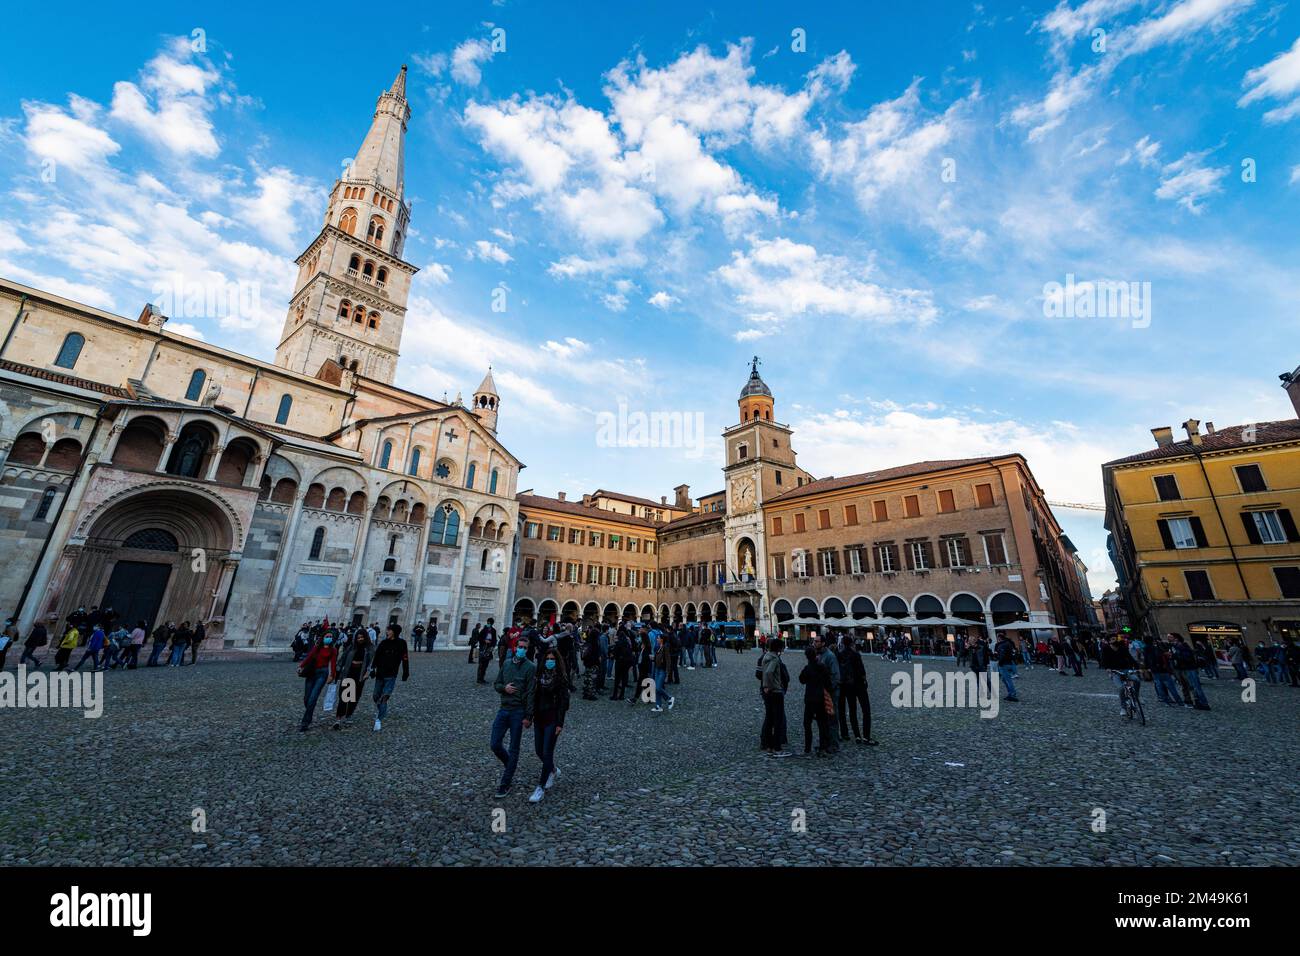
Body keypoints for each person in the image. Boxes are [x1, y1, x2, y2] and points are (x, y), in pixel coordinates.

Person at [490, 634, 536, 798]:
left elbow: (531, 692)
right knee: (495, 743)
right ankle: (510, 765)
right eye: (520, 647)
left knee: (514, 747)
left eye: (525, 648)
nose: (522, 650)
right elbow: (497, 683)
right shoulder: (507, 664)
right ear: (515, 647)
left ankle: (505, 783)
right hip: (504, 709)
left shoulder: (530, 667)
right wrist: (504, 688)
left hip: (518, 711)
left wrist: (529, 716)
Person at [528, 646, 571, 803]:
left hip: (552, 719)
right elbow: (533, 696)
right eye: (547, 659)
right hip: (539, 717)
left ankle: (540, 787)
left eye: (553, 659)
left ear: (557, 661)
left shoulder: (561, 678)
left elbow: (563, 702)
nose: (550, 661)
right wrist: (529, 715)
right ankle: (552, 769)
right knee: (539, 750)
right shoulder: (539, 676)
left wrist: (560, 723)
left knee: (547, 752)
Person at [838, 634, 878, 744]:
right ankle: (866, 736)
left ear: (842, 643)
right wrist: (865, 681)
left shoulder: (840, 655)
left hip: (847, 686)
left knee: (852, 710)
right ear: (851, 643)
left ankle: (857, 736)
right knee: (866, 710)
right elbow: (861, 670)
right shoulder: (856, 654)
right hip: (859, 684)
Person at [333, 626, 374, 729]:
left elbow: (372, 662)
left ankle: (348, 715)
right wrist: (337, 670)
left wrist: (368, 672)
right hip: (349, 672)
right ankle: (338, 718)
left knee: (354, 697)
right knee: (344, 696)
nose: (360, 639)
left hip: (359, 675)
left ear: (365, 637)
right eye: (358, 637)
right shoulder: (352, 647)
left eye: (362, 637)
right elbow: (343, 658)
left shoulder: (369, 648)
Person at [370, 624, 410, 731]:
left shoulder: (401, 643)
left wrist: (406, 672)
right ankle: (382, 709)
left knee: (385, 696)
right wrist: (372, 669)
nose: (387, 632)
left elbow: (405, 658)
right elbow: (377, 656)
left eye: (389, 630)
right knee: (375, 696)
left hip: (391, 674)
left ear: (394, 632)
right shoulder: (383, 643)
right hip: (380, 673)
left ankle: (378, 719)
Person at [297, 631, 337, 732]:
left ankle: (305, 722)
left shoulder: (333, 650)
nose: (329, 638)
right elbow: (309, 657)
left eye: (330, 637)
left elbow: (333, 663)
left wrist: (332, 675)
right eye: (327, 636)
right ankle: (310, 711)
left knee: (313, 698)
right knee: (307, 698)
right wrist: (301, 666)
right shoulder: (317, 647)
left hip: (322, 674)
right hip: (311, 672)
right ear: (323, 637)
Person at [798, 647, 833, 757]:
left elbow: (801, 680)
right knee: (823, 724)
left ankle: (807, 747)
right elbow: (828, 683)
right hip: (821, 698)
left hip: (810, 698)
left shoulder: (807, 668)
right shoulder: (822, 667)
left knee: (807, 724)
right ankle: (823, 746)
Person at [758, 637, 791, 757]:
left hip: (769, 692)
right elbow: (769, 672)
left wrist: (765, 686)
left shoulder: (766, 656)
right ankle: (777, 747)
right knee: (778, 720)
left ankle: (769, 745)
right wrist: (770, 686)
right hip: (776, 692)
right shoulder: (775, 659)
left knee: (770, 719)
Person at [1101, 634, 1141, 716]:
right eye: (1112, 639)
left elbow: (1130, 657)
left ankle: (1136, 697)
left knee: (1137, 680)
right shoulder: (1106, 649)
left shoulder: (1122, 648)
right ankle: (1123, 708)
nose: (1114, 640)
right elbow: (1104, 660)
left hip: (1125, 669)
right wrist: (1107, 668)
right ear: (1109, 641)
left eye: (1115, 639)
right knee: (1121, 688)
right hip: (1115, 671)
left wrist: (1137, 667)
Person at [1170, 634, 1210, 710]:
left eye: (1172, 638)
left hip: (1189, 668)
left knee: (1196, 686)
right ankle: (1198, 702)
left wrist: (1175, 656)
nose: (1170, 640)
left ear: (1177, 639)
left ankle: (1204, 703)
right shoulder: (1178, 647)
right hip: (1186, 669)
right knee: (1193, 686)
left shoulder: (1182, 647)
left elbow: (1187, 658)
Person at [651, 629, 675, 713]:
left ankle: (669, 698)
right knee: (657, 688)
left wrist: (668, 672)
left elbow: (668, 660)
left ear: (662, 639)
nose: (657, 639)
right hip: (657, 669)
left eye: (658, 638)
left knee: (658, 687)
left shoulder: (665, 648)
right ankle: (658, 706)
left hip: (662, 670)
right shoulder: (658, 647)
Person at [994, 632, 1020, 702]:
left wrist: (999, 662)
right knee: (1004, 679)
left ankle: (1012, 694)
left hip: (1004, 664)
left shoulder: (1002, 645)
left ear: (999, 638)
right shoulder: (1008, 643)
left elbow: (1002, 655)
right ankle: (1010, 693)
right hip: (1009, 663)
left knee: (1008, 680)